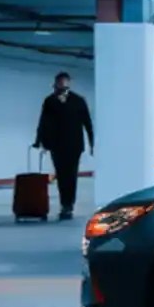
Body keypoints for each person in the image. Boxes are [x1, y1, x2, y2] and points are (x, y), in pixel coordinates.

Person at [33, 72, 94, 220]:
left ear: (68, 83)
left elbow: (87, 123)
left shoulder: (78, 101)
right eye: (59, 82)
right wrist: (39, 141)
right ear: (55, 83)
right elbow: (43, 121)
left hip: (74, 145)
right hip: (56, 145)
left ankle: (69, 204)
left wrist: (92, 143)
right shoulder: (49, 101)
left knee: (71, 175)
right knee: (61, 175)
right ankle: (64, 204)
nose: (61, 85)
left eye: (64, 82)